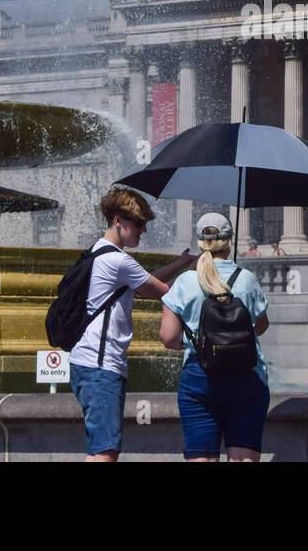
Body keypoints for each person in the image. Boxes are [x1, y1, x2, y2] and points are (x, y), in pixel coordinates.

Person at [70, 187, 197, 462]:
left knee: (97, 448)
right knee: (106, 450)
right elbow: (161, 290)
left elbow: (143, 286)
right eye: (138, 223)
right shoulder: (118, 261)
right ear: (118, 220)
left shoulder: (96, 253)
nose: (143, 230)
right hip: (101, 366)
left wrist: (182, 263)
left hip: (85, 362)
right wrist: (203, 281)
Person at [160, 212, 270, 462]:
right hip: (247, 377)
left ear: (200, 243)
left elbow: (168, 338)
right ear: (229, 241)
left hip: (200, 378)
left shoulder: (185, 282)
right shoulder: (247, 279)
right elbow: (261, 327)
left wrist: (197, 343)